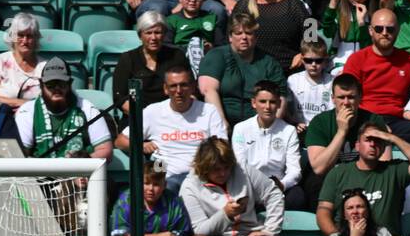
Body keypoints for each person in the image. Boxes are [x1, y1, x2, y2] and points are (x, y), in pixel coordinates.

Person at [117, 64, 227, 196]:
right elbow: (120, 141)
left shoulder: (209, 111)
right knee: (159, 179)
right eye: (173, 86)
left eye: (184, 85)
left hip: (200, 173)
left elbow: (221, 145)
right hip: (164, 169)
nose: (179, 91)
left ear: (192, 87)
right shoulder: (153, 111)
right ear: (165, 89)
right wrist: (141, 145)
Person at [317, 120, 410, 236]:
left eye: (377, 141)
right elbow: (324, 210)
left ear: (383, 147)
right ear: (357, 145)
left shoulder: (394, 170)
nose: (372, 144)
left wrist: (392, 138)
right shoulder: (338, 172)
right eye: (367, 140)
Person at [342, 8, 410, 149]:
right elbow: (346, 97)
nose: (384, 33)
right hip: (365, 119)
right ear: (370, 31)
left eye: (390, 29)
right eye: (379, 29)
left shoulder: (408, 60)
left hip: (399, 120)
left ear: (398, 31)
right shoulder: (357, 59)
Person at [198, 13, 286, 129]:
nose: (244, 37)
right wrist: (221, 123)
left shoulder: (269, 62)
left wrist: (270, 127)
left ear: (255, 37)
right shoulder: (216, 55)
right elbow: (208, 90)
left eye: (249, 33)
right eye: (238, 33)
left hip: (259, 125)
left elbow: (282, 97)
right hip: (222, 123)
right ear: (230, 37)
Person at [15, 58, 112, 161]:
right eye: (50, 84)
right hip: (40, 174)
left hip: (79, 173)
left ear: (70, 83)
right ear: (41, 85)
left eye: (61, 83)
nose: (56, 89)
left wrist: (87, 160)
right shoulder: (28, 111)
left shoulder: (87, 109)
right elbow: (20, 154)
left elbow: (105, 149)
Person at [231, 80, 303, 210]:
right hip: (250, 186)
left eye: (273, 102)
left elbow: (295, 170)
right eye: (262, 101)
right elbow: (239, 165)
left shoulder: (288, 130)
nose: (267, 107)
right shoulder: (240, 129)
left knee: (297, 196)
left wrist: (282, 185)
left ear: (279, 103)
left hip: (278, 185)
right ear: (254, 103)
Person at [302, 73, 369, 205]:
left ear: (360, 97)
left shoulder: (373, 120)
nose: (346, 103)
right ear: (332, 98)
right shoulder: (320, 122)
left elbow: (384, 164)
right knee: (315, 183)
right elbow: (319, 168)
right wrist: (342, 131)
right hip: (328, 178)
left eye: (351, 97)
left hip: (362, 177)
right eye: (341, 97)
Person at [112, 11, 187, 114]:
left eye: (157, 32)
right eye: (148, 33)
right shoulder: (128, 58)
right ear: (140, 35)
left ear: (164, 34)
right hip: (137, 116)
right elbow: (120, 97)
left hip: (172, 116)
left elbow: (188, 89)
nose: (153, 38)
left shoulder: (176, 56)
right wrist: (143, 118)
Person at [231, 0, 309, 76]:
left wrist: (304, 54)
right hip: (255, 73)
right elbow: (231, 42)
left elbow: (313, 33)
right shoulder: (243, 7)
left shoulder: (294, 4)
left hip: (292, 71)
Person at [0, 12, 44, 110]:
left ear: (36, 38)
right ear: (13, 37)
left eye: (29, 36)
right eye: (20, 35)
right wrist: (22, 103)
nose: (24, 41)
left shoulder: (44, 66)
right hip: (3, 116)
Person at [168, 0, 225, 80]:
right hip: (182, 60)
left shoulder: (211, 18)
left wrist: (211, 47)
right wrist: (187, 49)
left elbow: (221, 45)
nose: (192, 0)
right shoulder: (172, 20)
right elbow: (167, 45)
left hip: (207, 59)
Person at [286, 39, 334, 133]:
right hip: (299, 130)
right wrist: (294, 123)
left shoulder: (332, 82)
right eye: (308, 60)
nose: (313, 65)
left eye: (318, 61)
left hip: (322, 132)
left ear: (325, 60)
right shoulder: (293, 80)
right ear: (302, 59)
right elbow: (286, 108)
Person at [323, 0, 376, 73]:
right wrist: (332, 4)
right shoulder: (338, 13)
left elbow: (367, 48)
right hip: (339, 64)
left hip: (363, 65)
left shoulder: (372, 15)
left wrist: (362, 24)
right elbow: (327, 32)